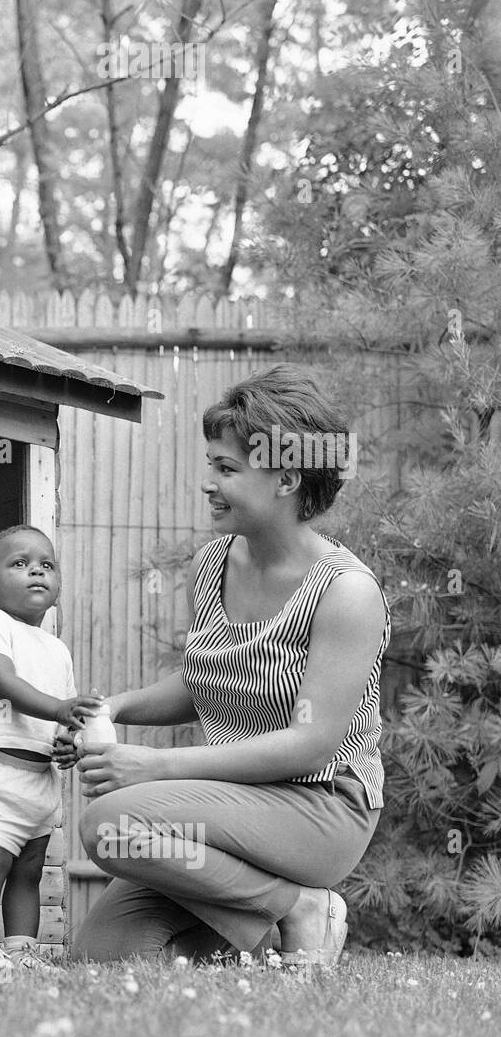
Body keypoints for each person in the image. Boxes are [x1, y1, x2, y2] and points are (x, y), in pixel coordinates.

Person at [59, 365, 389, 968]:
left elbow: (311, 747)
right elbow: (202, 684)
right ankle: (261, 923)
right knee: (102, 961)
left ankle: (298, 908)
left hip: (319, 807)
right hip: (226, 811)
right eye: (211, 464)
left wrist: (153, 767)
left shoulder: (346, 594)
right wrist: (111, 709)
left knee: (111, 821)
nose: (207, 483)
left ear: (287, 478)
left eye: (227, 469)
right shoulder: (213, 564)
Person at [0, 525, 91, 976]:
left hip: (40, 779)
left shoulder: (58, 649)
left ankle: (21, 950)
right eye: (20, 564)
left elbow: (63, 716)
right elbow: (0, 681)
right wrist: (59, 708)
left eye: (46, 565)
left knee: (29, 871)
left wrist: (69, 740)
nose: (37, 571)